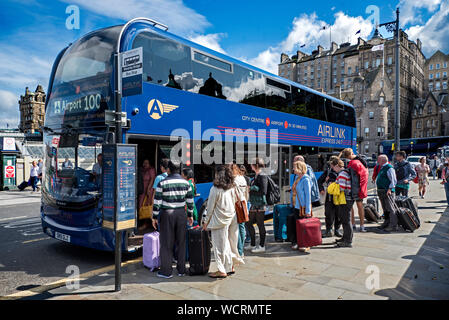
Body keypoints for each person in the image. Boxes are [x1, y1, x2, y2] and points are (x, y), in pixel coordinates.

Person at [152, 160, 194, 279]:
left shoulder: (162, 182)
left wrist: (154, 217)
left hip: (167, 214)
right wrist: (190, 215)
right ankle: (181, 270)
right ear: (180, 170)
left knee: (166, 243)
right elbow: (190, 201)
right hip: (181, 213)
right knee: (181, 242)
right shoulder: (186, 183)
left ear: (168, 169)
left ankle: (166, 271)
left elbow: (157, 202)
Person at [203, 165, 239, 278]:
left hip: (219, 220)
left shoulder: (215, 189)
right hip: (230, 218)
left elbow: (210, 208)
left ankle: (221, 270)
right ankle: (229, 266)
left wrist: (205, 222)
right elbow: (236, 200)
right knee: (226, 244)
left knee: (219, 247)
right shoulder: (232, 186)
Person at [339, 148, 369, 233]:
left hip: (353, 188)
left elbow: (348, 176)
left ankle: (353, 224)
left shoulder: (352, 164)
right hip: (360, 188)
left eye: (348, 157)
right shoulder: (361, 161)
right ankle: (362, 226)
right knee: (360, 207)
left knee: (351, 207)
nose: (349, 159)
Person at [245, 158, 268, 253]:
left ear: (256, 166)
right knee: (248, 223)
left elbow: (264, 191)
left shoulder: (262, 176)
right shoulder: (256, 175)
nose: (250, 166)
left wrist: (251, 188)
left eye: (252, 164)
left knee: (260, 224)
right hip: (254, 203)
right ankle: (253, 244)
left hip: (260, 204)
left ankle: (262, 245)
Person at [317, 156, 342, 238]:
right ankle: (329, 230)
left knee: (338, 214)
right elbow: (319, 181)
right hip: (329, 197)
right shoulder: (327, 172)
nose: (330, 166)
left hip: (339, 196)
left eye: (331, 164)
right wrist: (321, 189)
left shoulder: (342, 172)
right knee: (328, 214)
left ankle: (337, 230)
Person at [291, 160, 313, 252]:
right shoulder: (297, 177)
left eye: (295, 167)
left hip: (303, 208)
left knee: (303, 227)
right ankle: (298, 242)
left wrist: (308, 210)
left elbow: (308, 196)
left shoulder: (306, 179)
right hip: (296, 206)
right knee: (297, 226)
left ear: (300, 168)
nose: (293, 169)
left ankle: (304, 244)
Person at [333, 157, 354, 247]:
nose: (333, 169)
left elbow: (341, 187)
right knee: (345, 220)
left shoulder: (342, 174)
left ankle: (348, 241)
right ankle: (345, 238)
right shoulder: (346, 173)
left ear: (337, 166)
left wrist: (334, 186)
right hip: (347, 198)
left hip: (345, 199)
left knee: (346, 220)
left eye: (333, 167)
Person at [230, 163, 249, 259]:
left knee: (236, 229)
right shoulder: (243, 178)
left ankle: (239, 251)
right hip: (243, 203)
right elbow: (246, 193)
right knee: (242, 227)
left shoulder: (233, 180)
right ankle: (241, 252)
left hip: (236, 205)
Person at [137, 159, 156, 231]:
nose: (144, 164)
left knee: (147, 207)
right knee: (141, 207)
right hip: (142, 190)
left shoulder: (151, 170)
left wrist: (148, 189)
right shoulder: (142, 170)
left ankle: (146, 224)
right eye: (144, 163)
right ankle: (143, 223)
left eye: (146, 163)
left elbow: (152, 179)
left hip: (148, 191)